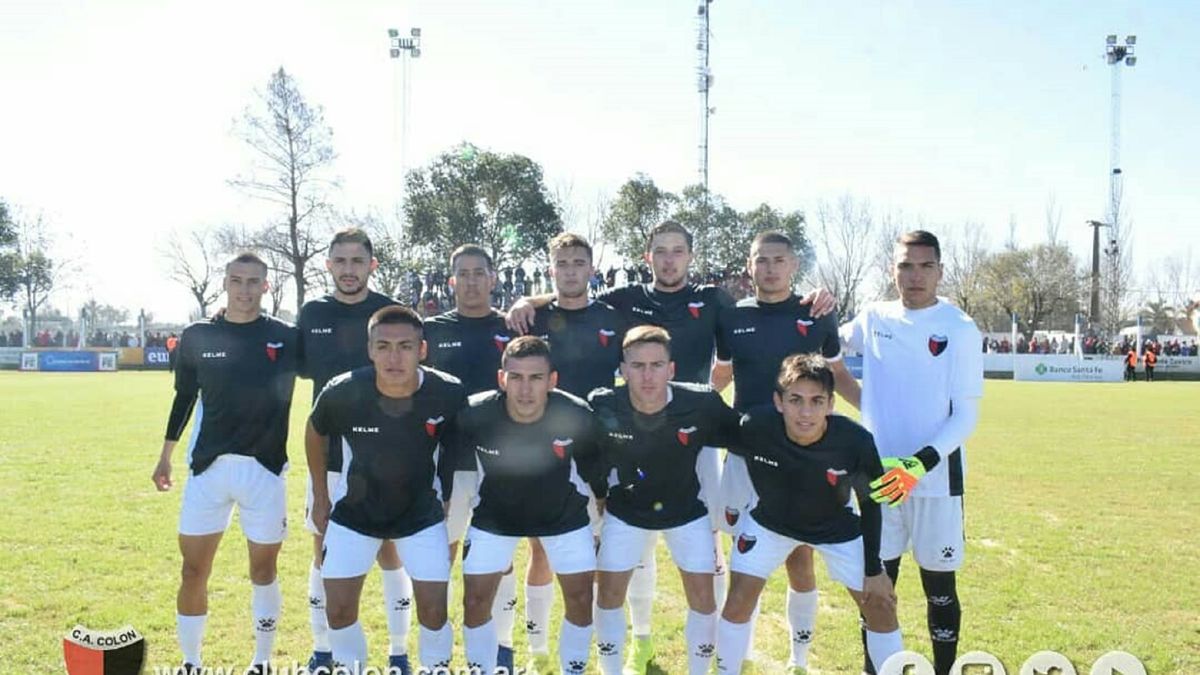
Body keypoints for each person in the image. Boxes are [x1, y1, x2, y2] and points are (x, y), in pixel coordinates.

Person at [510, 222, 835, 673]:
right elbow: (573, 292)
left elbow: (763, 306)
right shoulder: (625, 299)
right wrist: (531, 300)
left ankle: (717, 649)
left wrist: (815, 296)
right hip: (636, 432)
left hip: (695, 432)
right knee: (632, 545)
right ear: (648, 257)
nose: (668, 260)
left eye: (677, 251)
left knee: (711, 548)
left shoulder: (714, 300)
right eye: (660, 252)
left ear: (689, 256)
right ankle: (639, 642)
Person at [711, 230, 860, 672]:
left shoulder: (816, 314)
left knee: (800, 557)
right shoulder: (731, 318)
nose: (770, 268)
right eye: (762, 260)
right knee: (743, 562)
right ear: (749, 266)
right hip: (744, 455)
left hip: (803, 458)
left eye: (779, 260)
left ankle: (799, 658)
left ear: (794, 265)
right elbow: (719, 378)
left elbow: (840, 377)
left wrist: (880, 417)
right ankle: (738, 656)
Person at [841, 230, 984, 675]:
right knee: (876, 587)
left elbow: (965, 416)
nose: (915, 275)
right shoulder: (872, 316)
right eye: (906, 265)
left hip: (935, 482)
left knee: (939, 588)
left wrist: (917, 465)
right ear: (892, 270)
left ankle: (943, 670)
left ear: (940, 271)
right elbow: (828, 352)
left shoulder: (959, 328)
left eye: (925, 266)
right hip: (877, 481)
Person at [151, 252, 299, 675]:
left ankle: (262, 660)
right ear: (225, 283)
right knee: (193, 569)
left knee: (263, 569)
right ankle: (191, 662)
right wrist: (165, 456)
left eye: (254, 282)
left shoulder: (286, 336)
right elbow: (184, 397)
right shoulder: (198, 335)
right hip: (208, 471)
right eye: (237, 280)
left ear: (266, 287)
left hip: (265, 471)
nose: (245, 290)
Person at [305, 305, 466, 674]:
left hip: (420, 515)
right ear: (370, 350)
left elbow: (456, 442)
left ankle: (435, 668)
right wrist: (321, 494)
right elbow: (315, 431)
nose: (394, 356)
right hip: (356, 513)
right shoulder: (343, 391)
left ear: (422, 350)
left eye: (406, 346)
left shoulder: (447, 391)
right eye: (384, 346)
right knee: (340, 608)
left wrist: (446, 494)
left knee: (434, 610)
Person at [716, 354, 901, 674]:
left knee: (881, 604)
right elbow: (700, 424)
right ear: (778, 401)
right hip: (769, 523)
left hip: (836, 528)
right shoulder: (754, 427)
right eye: (795, 400)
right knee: (737, 602)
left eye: (816, 401)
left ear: (831, 404)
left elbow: (871, 505)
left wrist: (874, 568)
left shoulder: (855, 441)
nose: (805, 412)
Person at [445, 336, 604, 675]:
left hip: (563, 515)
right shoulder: (475, 414)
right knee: (474, 601)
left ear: (553, 381)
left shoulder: (575, 413)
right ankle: (482, 669)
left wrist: (602, 512)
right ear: (502, 379)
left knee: (579, 599)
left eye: (535, 378)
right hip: (494, 517)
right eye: (515, 377)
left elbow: (594, 469)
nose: (525, 388)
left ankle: (572, 669)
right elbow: (448, 461)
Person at [590, 326, 739, 675]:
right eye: (637, 366)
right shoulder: (602, 404)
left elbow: (748, 436)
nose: (647, 375)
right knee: (608, 595)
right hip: (625, 513)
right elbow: (584, 452)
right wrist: (598, 493)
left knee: (703, 598)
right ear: (622, 371)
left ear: (671, 369)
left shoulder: (701, 403)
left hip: (687, 512)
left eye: (656, 365)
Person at [296, 228, 412, 674]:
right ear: (329, 265)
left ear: (372, 265)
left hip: (385, 455)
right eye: (340, 261)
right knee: (323, 548)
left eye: (357, 261)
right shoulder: (312, 313)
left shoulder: (389, 313)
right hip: (326, 454)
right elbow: (295, 364)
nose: (348, 269)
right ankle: (323, 649)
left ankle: (398, 652)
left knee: (389, 551)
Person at [524, 232, 627, 662]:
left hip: (600, 448)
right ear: (552, 269)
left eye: (577, 263)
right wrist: (528, 303)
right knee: (541, 549)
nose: (570, 271)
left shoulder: (613, 317)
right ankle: (538, 650)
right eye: (562, 264)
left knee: (606, 552)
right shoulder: (533, 319)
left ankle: (607, 653)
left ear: (591, 269)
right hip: (542, 448)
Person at [420, 244, 522, 670]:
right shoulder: (430, 329)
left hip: (500, 463)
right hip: (446, 461)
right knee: (439, 554)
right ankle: (438, 653)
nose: (471, 281)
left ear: (494, 278)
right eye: (463, 273)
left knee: (500, 560)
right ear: (450, 281)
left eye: (480, 273)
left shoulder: (514, 325)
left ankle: (503, 649)